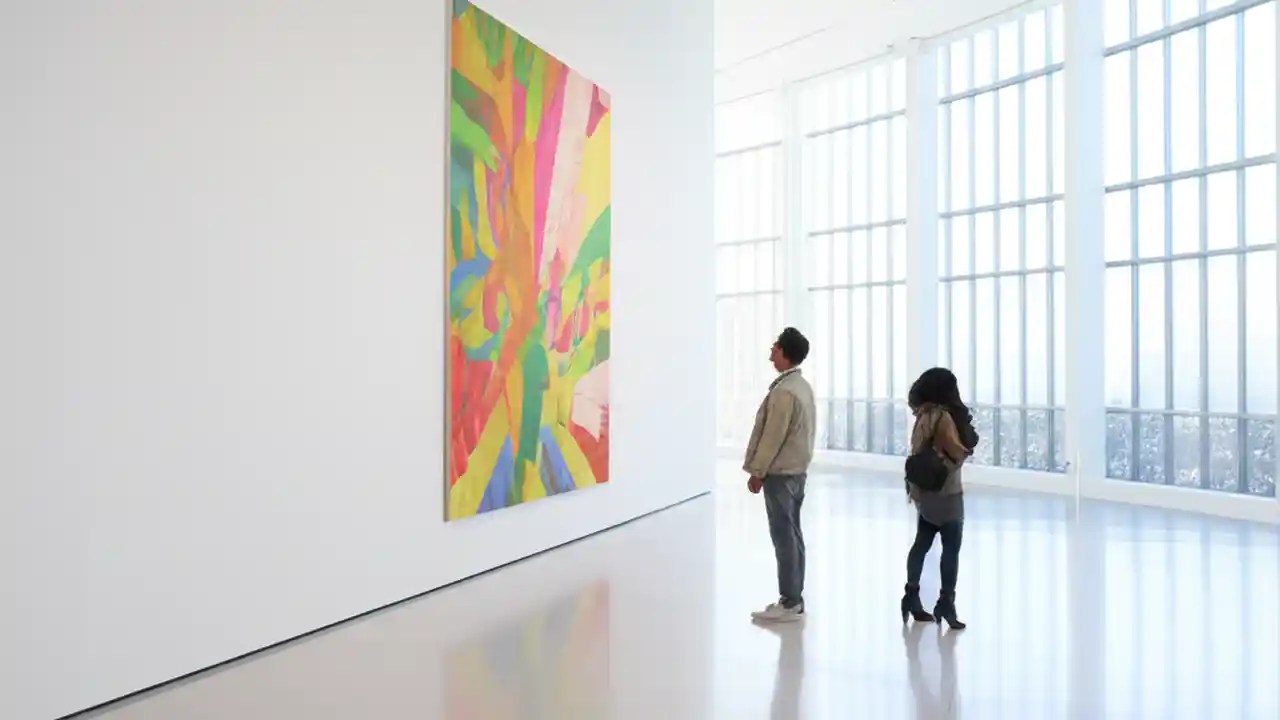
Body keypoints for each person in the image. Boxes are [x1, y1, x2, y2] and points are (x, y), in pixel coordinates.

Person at [743, 327, 816, 623]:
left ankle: (789, 601)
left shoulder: (785, 393)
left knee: (784, 536)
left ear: (786, 353)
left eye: (775, 348)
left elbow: (773, 437)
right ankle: (794, 598)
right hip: (796, 473)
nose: (771, 352)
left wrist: (757, 472)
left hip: (781, 474)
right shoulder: (801, 387)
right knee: (793, 534)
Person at [900, 367, 979, 630]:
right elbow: (956, 451)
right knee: (951, 548)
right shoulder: (944, 417)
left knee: (921, 543)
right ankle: (946, 602)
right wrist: (968, 447)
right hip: (947, 493)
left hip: (925, 492)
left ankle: (911, 595)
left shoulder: (922, 415)